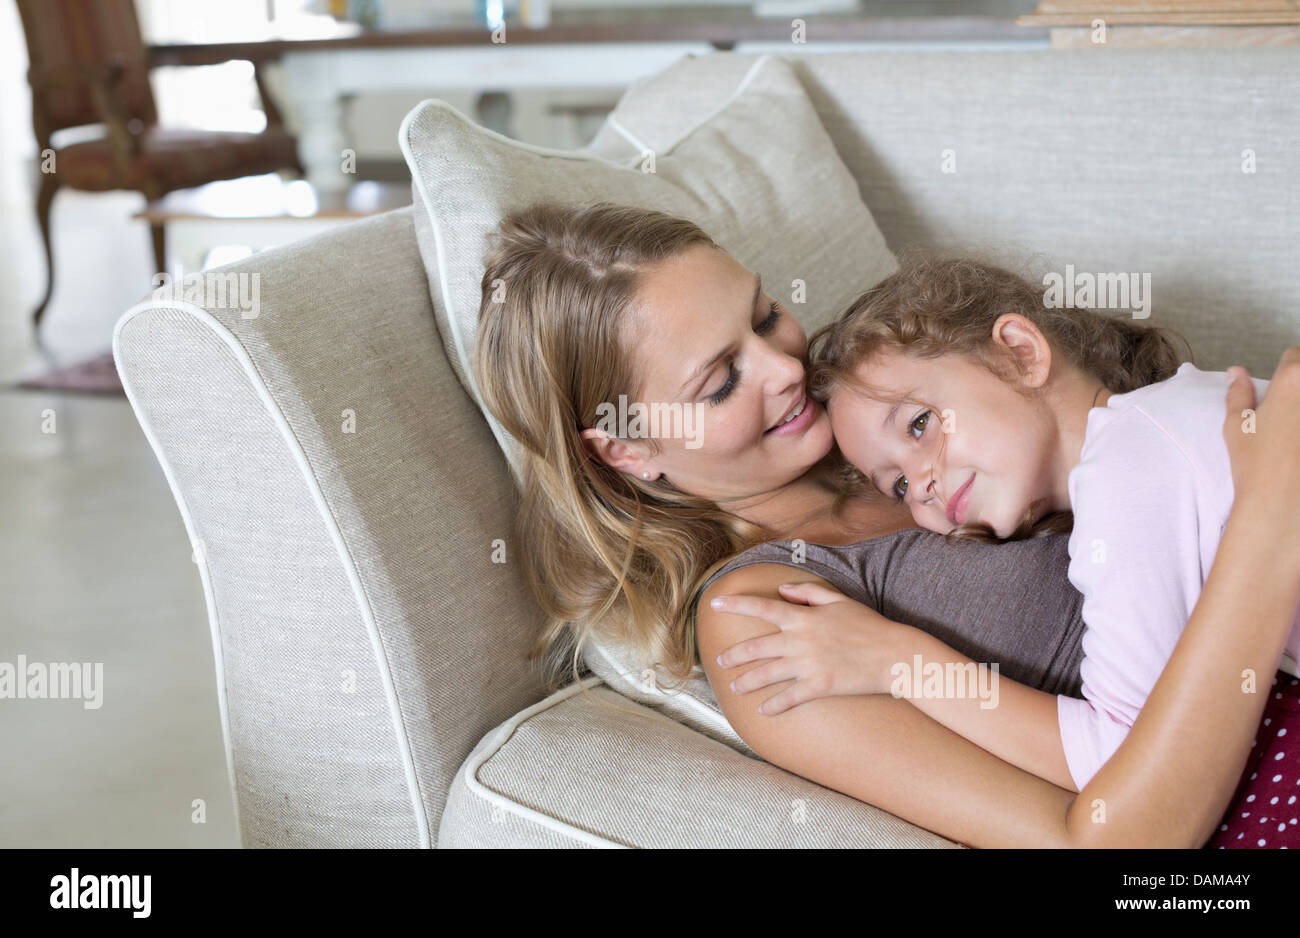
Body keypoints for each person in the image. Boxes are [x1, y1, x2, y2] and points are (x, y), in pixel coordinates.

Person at [473, 201, 1300, 847]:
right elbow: (1118, 846)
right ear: (627, 450)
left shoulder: (881, 406)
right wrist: (1268, 527)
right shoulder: (763, 620)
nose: (787, 369)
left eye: (764, 318)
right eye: (721, 382)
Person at [710, 255, 1300, 847]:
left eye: (919, 426)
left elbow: (1117, 754)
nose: (922, 485)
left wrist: (899, 661)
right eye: (898, 486)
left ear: (1020, 352)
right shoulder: (1173, 415)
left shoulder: (1129, 472)